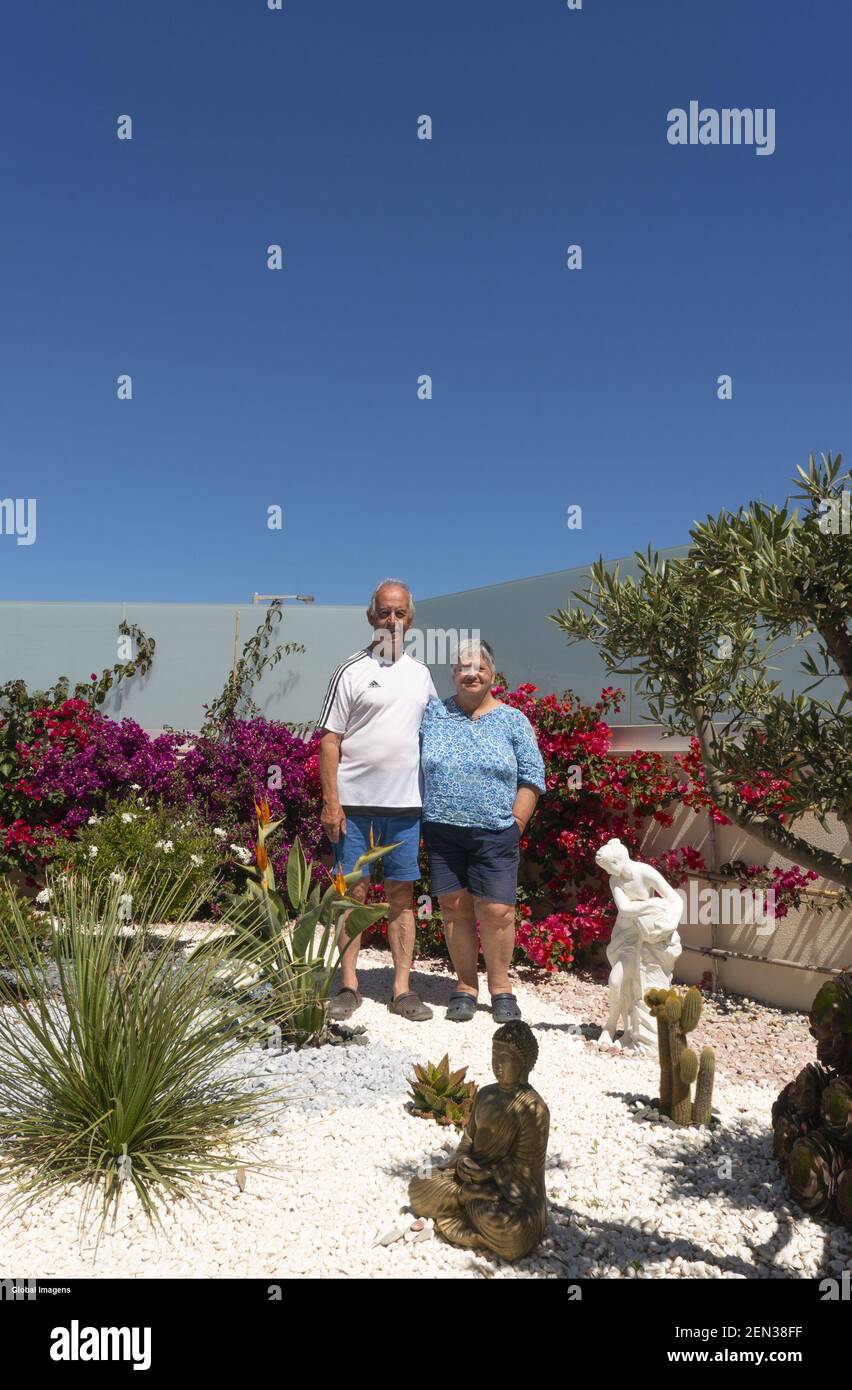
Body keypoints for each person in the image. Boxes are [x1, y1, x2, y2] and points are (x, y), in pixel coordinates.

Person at [317, 579, 437, 1022]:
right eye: (385, 612)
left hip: (406, 810)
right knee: (354, 895)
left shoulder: (421, 675)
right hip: (356, 809)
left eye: (400, 613)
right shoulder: (349, 671)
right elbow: (330, 741)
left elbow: (433, 737)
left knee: (402, 897)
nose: (392, 620)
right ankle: (348, 986)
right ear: (371, 617)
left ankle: (402, 990)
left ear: (410, 620)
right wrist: (333, 802)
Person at [419, 639, 545, 1023]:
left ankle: (501, 987)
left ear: (492, 674)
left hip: (495, 831)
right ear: (453, 674)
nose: (471, 673)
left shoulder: (513, 721)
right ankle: (466, 986)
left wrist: (517, 825)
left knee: (498, 911)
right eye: (462, 667)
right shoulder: (433, 715)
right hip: (442, 828)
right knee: (454, 909)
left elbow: (532, 777)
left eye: (479, 667)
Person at [408, 1020, 550, 1260]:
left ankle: (463, 1216)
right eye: (495, 1055)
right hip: (468, 1182)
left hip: (506, 1192)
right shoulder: (485, 1094)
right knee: (418, 1185)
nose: (498, 1064)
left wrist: (490, 1174)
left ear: (524, 1063)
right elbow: (468, 1139)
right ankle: (464, 1201)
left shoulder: (533, 1109)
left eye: (505, 1057)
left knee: (513, 1230)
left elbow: (527, 1168)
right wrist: (462, 1159)